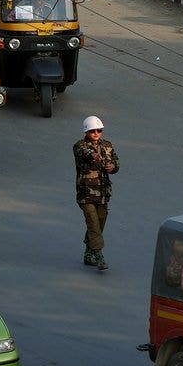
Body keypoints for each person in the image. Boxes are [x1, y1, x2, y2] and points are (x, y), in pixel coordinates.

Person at [73, 115, 120, 271]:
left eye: (98, 130)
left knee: (99, 225)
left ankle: (88, 254)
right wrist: (93, 155)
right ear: (86, 131)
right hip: (86, 195)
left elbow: (116, 163)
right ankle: (99, 256)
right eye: (92, 131)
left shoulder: (108, 146)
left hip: (103, 194)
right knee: (93, 224)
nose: (96, 133)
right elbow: (83, 152)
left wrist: (112, 167)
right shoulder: (80, 146)